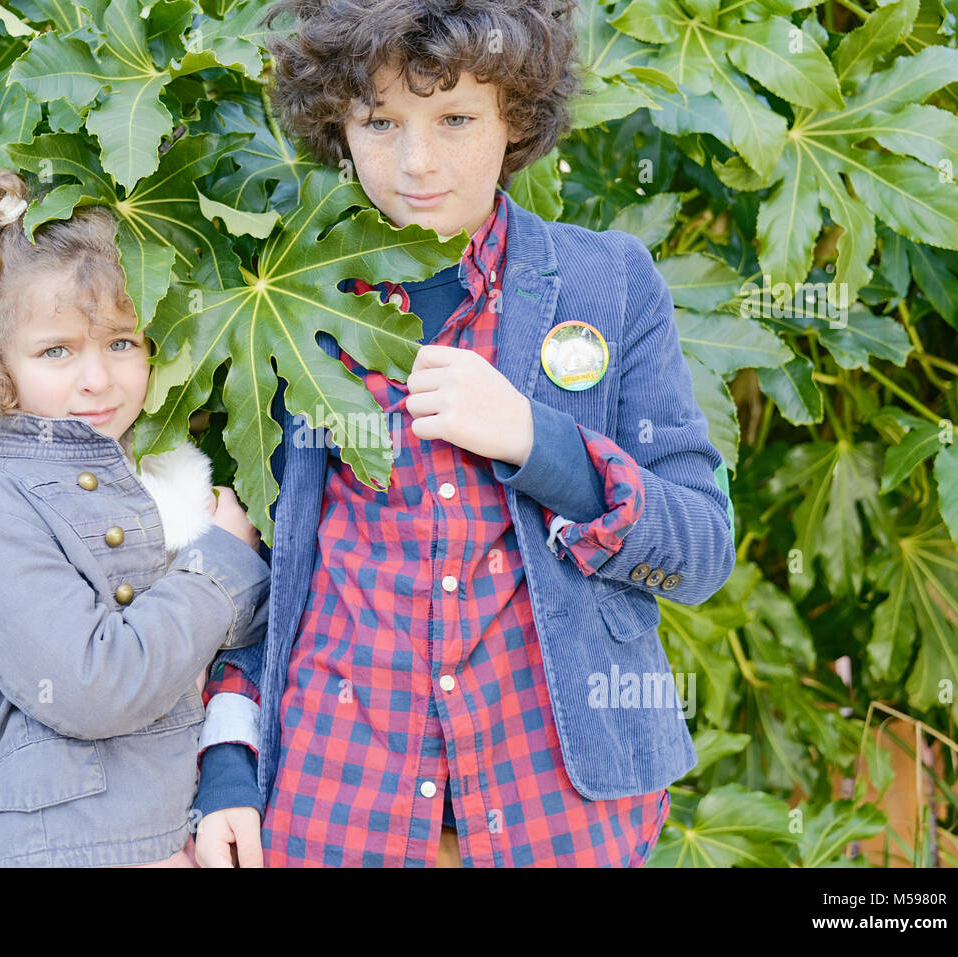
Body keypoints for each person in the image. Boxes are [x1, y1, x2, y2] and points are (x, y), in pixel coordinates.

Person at [191, 0, 736, 867]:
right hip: (336, 811)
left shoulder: (609, 284)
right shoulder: (297, 306)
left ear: (515, 116)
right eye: (381, 121)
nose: (417, 162)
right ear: (338, 121)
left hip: (558, 816)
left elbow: (701, 553)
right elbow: (257, 570)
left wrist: (539, 444)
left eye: (454, 118)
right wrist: (226, 762)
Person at [0, 169, 271, 867]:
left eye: (121, 343)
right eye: (57, 351)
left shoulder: (163, 466)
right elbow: (92, 683)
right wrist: (221, 564)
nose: (97, 379)